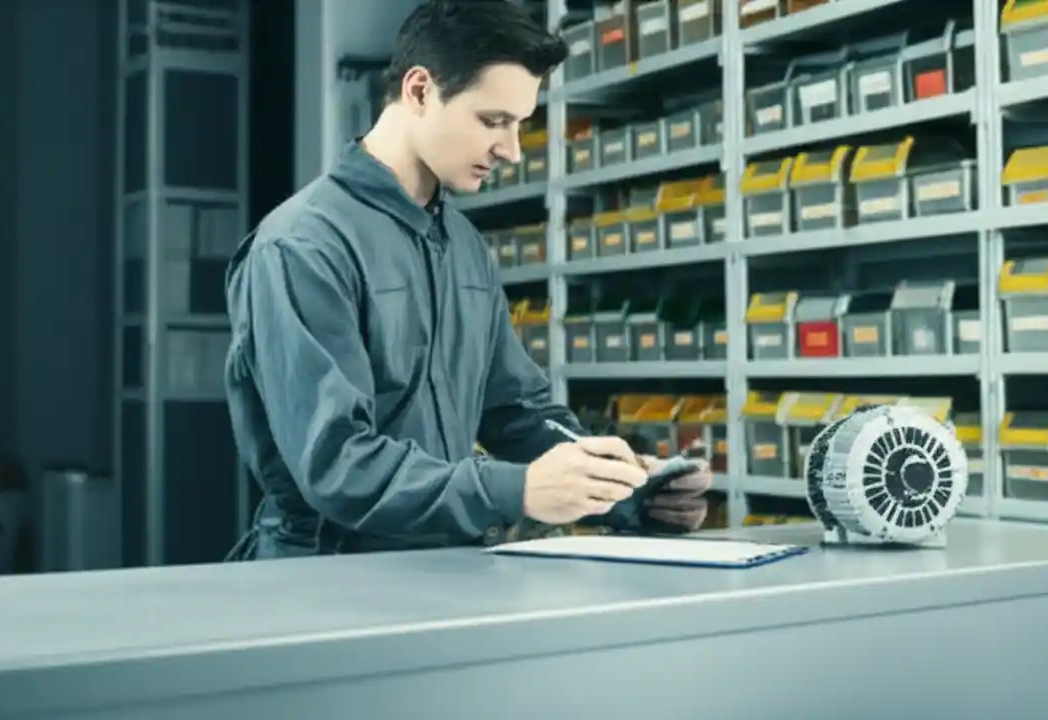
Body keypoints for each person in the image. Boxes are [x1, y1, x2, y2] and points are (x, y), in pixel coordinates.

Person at [223, 0, 712, 560]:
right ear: (420, 90)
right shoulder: (302, 246)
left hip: (447, 567)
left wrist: (621, 488)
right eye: (492, 120)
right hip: (329, 579)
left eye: (519, 124)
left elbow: (516, 413)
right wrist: (518, 489)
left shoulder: (464, 246)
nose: (509, 149)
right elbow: (339, 465)